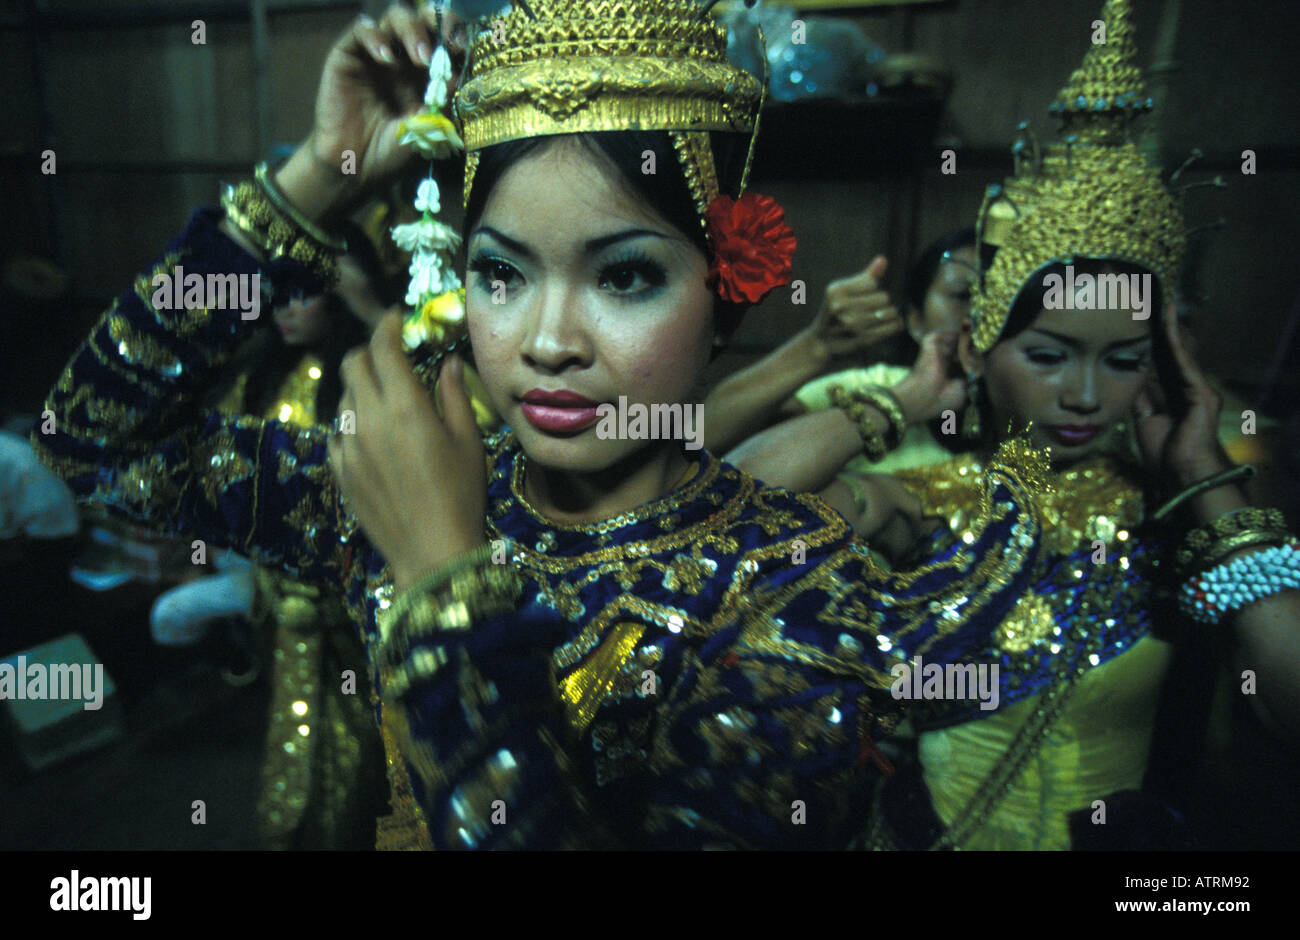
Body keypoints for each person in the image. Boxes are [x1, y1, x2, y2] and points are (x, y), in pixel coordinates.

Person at [32, 0, 1050, 850]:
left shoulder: (798, 599)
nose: (548, 340)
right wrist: (319, 177)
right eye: (502, 274)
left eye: (626, 276)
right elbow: (92, 436)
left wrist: (441, 586)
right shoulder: (410, 488)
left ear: (727, 297)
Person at [727, 0, 1300, 849]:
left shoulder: (1174, 525)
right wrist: (911, 398)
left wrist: (1201, 468)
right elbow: (728, 509)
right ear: (982, 346)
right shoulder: (932, 503)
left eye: (1122, 359)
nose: (1083, 395)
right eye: (1048, 354)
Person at [148, 220, 391, 849]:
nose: (283, 310)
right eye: (274, 295)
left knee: (361, 757)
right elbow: (210, 468)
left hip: (362, 608)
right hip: (281, 600)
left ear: (339, 293)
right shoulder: (258, 376)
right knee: (293, 742)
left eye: (302, 293)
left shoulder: (372, 376)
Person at [701, 229, 977, 472]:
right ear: (915, 321)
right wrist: (816, 346)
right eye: (964, 296)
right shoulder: (875, 385)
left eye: (1002, 301)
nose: (979, 315)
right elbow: (700, 434)